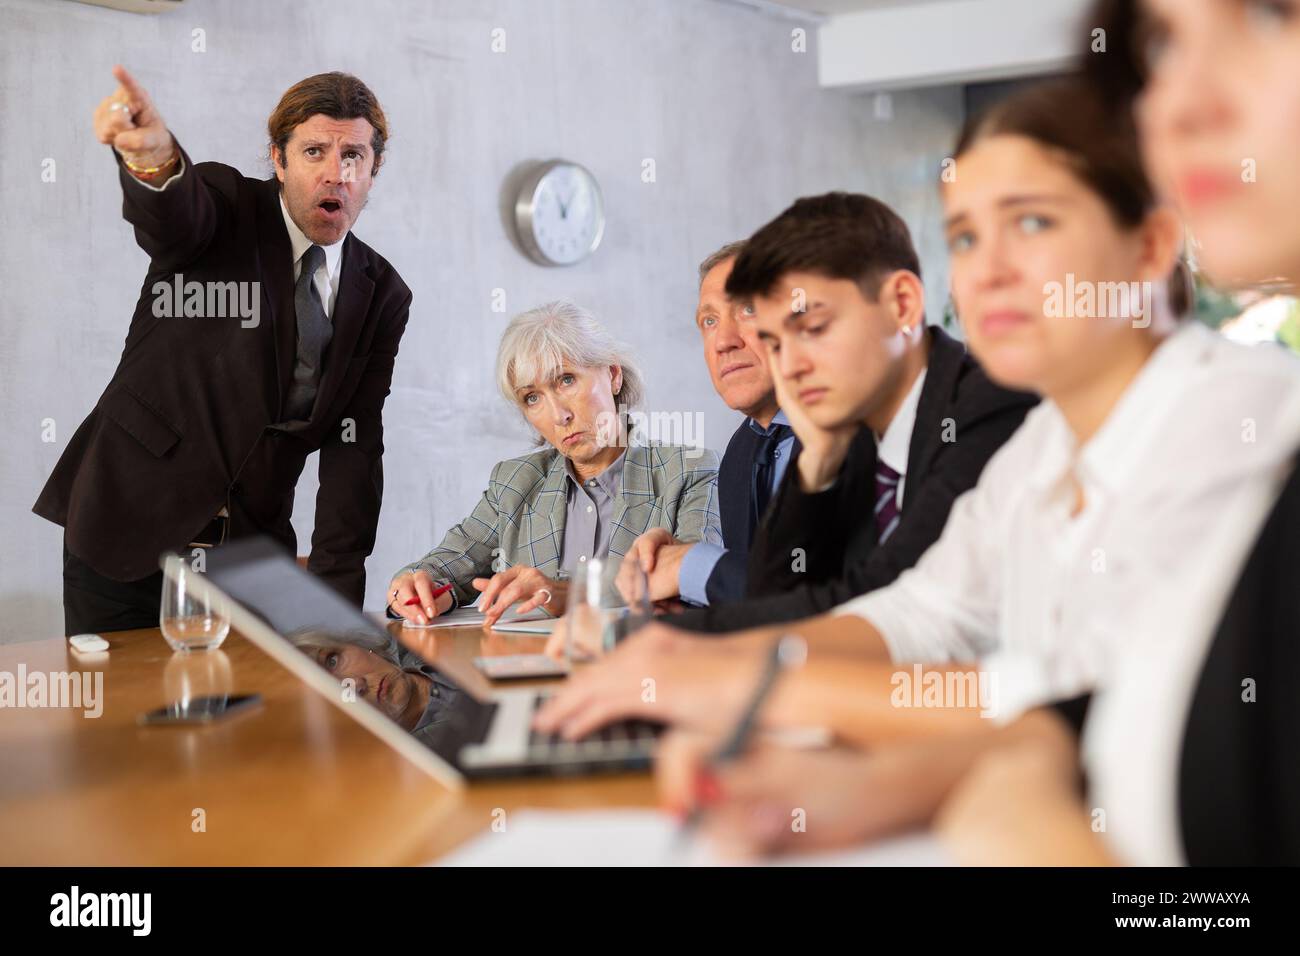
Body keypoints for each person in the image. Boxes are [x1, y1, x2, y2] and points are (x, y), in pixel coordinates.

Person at [534, 76, 1300, 755]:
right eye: (965, 236)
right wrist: (689, 659)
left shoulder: (1244, 415)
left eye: (1031, 223)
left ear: (1150, 247)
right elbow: (922, 619)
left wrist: (727, 677)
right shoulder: (1043, 448)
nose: (985, 270)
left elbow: (1089, 713)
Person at [35, 67, 411, 632]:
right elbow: (173, 218)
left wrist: (335, 607)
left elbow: (353, 450)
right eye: (314, 152)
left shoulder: (382, 292)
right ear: (278, 160)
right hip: (128, 528)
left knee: (244, 718)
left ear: (374, 170)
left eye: (354, 156)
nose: (337, 174)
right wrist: (155, 159)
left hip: (249, 561)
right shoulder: (227, 207)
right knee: (118, 714)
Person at [635, 194, 1035, 634]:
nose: (791, 364)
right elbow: (778, 595)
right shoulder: (844, 429)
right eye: (777, 339)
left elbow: (888, 605)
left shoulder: (989, 404)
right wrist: (816, 466)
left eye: (813, 327)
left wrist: (658, 638)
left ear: (901, 305)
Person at [388, 301, 722, 629]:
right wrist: (420, 586)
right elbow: (449, 563)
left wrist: (570, 594)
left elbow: (695, 583)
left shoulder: (688, 471)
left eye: (566, 380)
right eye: (532, 398)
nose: (559, 415)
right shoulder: (514, 482)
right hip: (527, 674)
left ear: (613, 375)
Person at [622, 240, 796, 609]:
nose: (723, 342)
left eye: (748, 309)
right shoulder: (741, 452)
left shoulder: (866, 434)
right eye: (709, 321)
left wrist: (690, 565)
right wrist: (678, 588)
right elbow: (754, 604)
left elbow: (839, 598)